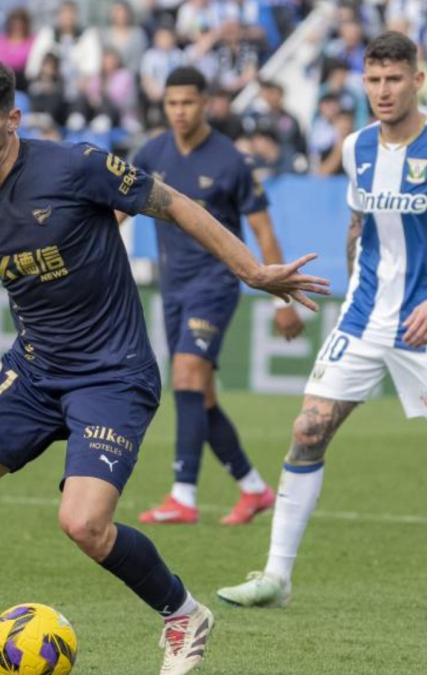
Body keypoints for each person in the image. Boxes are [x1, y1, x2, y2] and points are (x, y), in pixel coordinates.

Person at [0, 56, 328, 675]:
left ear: (12, 120)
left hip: (113, 375)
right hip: (33, 372)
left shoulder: (76, 166)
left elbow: (174, 204)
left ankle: (183, 614)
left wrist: (252, 270)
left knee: (85, 524)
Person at [217, 31, 427, 608]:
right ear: (364, 84)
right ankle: (277, 577)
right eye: (374, 80)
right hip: (363, 320)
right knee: (307, 431)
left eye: (395, 79)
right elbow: (359, 227)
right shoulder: (356, 146)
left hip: (424, 324)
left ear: (418, 80)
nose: (384, 91)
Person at [131, 67, 304, 526]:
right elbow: (115, 208)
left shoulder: (231, 161)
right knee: (200, 395)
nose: (179, 111)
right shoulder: (153, 152)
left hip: (217, 284)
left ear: (205, 102)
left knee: (186, 376)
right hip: (173, 287)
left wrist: (281, 300)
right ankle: (254, 489)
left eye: (188, 102)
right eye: (172, 103)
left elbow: (263, 231)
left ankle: (183, 496)